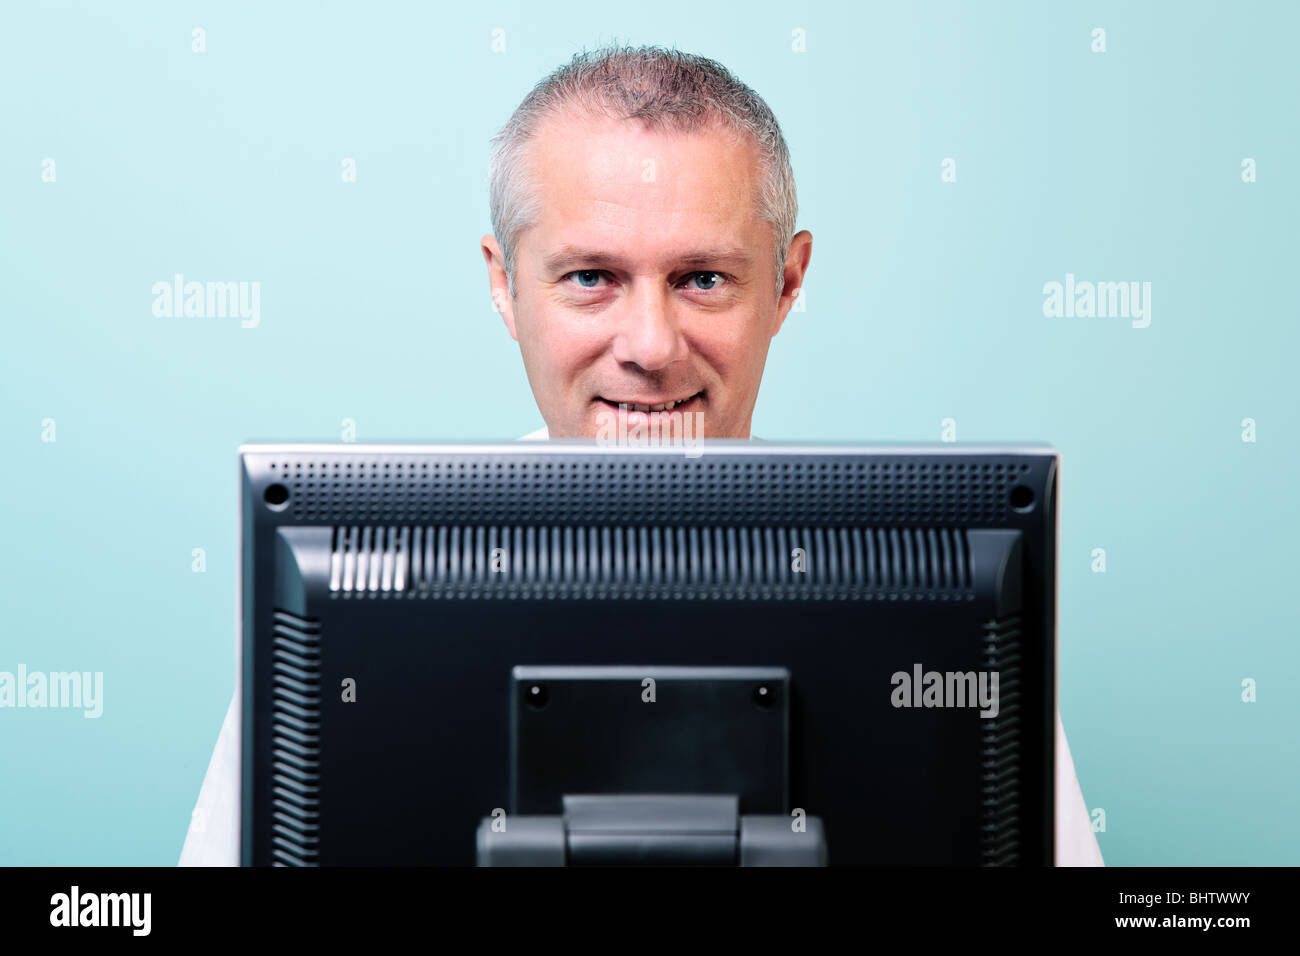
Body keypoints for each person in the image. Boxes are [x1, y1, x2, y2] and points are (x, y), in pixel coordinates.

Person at [181, 44, 1102, 866]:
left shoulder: (955, 612)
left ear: (787, 285)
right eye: (592, 279)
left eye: (704, 279)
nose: (651, 346)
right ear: (505, 288)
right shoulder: (339, 597)